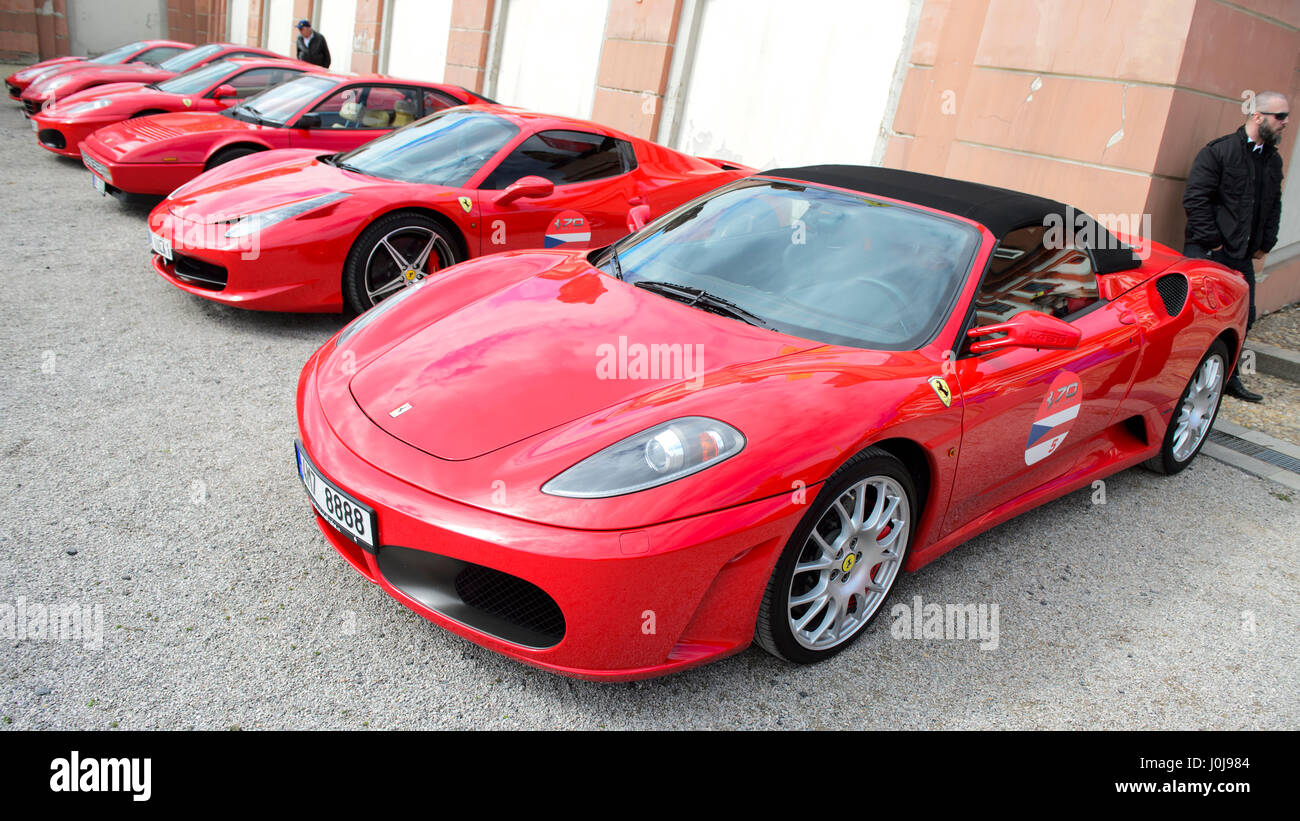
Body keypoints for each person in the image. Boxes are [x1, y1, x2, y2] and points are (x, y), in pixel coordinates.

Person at [1182, 90, 1288, 403]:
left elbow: (1274, 206)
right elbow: (1195, 199)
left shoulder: (1272, 160)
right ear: (1258, 116)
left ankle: (1226, 377)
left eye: (1286, 116)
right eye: (1279, 116)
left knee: (1245, 317)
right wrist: (1213, 243)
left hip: (1241, 257)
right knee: (1199, 321)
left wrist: (1264, 244)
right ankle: (1185, 381)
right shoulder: (1219, 152)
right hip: (1209, 253)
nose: (1285, 123)